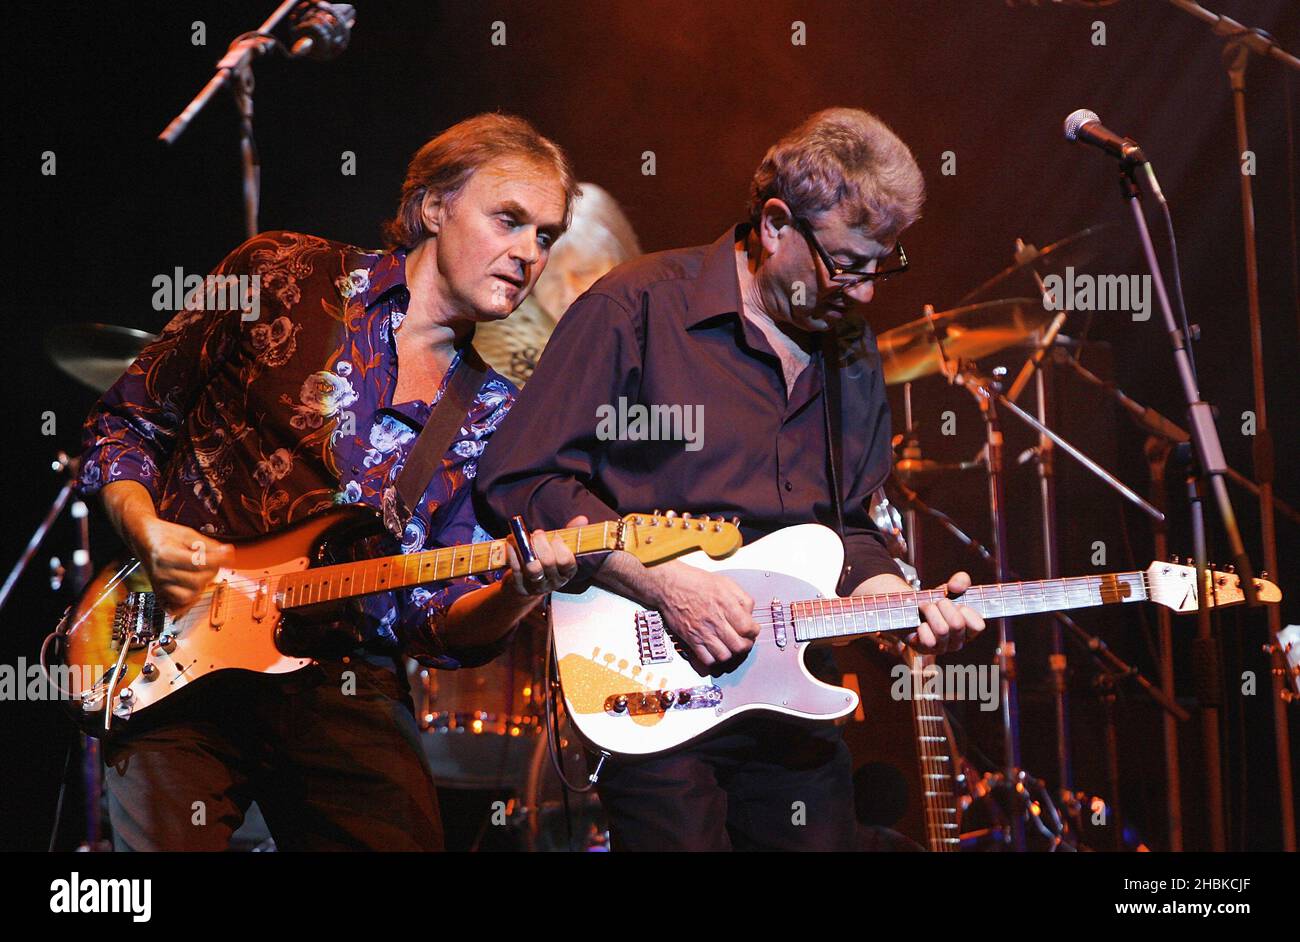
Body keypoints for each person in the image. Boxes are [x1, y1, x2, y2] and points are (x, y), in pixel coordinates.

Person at [475, 107, 986, 851]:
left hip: (793, 697)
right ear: (775, 223)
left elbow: (848, 529)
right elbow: (521, 478)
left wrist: (890, 602)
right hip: (649, 685)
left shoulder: (851, 350)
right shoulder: (637, 307)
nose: (867, 293)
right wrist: (659, 581)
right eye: (846, 264)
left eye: (882, 267)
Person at [77, 113, 584, 851]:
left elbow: (434, 621)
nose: (527, 253)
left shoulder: (497, 414)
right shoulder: (284, 272)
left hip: (342, 681)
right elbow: (127, 421)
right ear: (435, 206)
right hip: (178, 649)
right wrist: (146, 530)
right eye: (508, 219)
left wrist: (519, 589)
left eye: (546, 236)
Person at [474, 181, 641, 386]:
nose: (567, 293)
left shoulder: (654, 331)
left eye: (583, 273)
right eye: (551, 278)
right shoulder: (503, 337)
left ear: (621, 265)